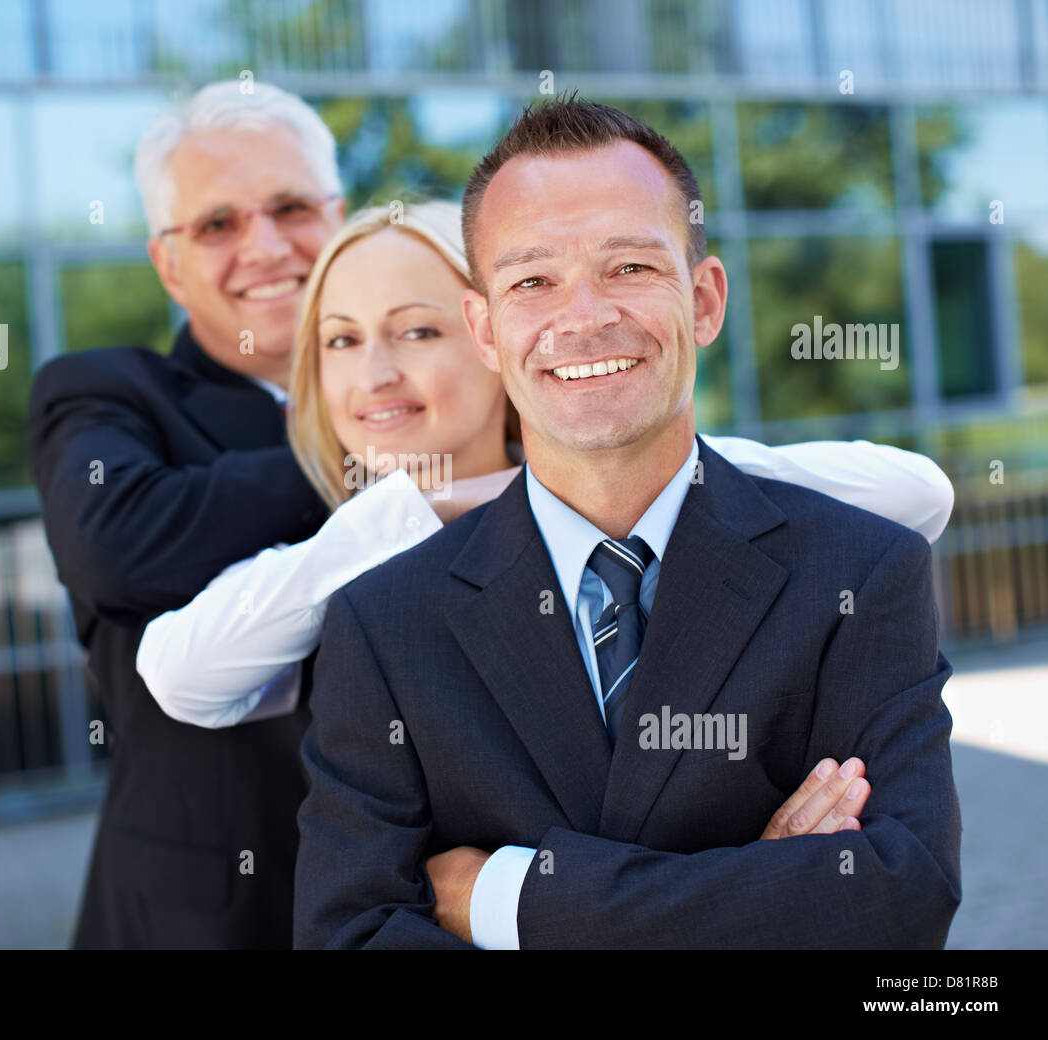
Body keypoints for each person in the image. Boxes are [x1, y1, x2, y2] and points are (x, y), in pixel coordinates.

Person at [291, 96, 962, 949]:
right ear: (485, 328)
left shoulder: (862, 575)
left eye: (630, 268)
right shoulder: (382, 624)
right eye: (533, 280)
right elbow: (347, 937)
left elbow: (902, 900)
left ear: (706, 299)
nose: (584, 317)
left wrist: (511, 901)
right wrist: (753, 893)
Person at [136, 200, 954, 733]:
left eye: (418, 331)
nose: (373, 373)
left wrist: (633, 467)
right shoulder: (334, 567)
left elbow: (915, 493)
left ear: (497, 333)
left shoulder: (637, 530)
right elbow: (182, 677)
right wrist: (421, 512)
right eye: (341, 340)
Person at [27, 79, 351, 949]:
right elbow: (119, 543)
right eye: (218, 224)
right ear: (169, 262)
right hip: (211, 917)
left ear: (340, 215)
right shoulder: (106, 392)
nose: (267, 244)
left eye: (290, 206)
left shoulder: (441, 382)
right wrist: (380, 464)